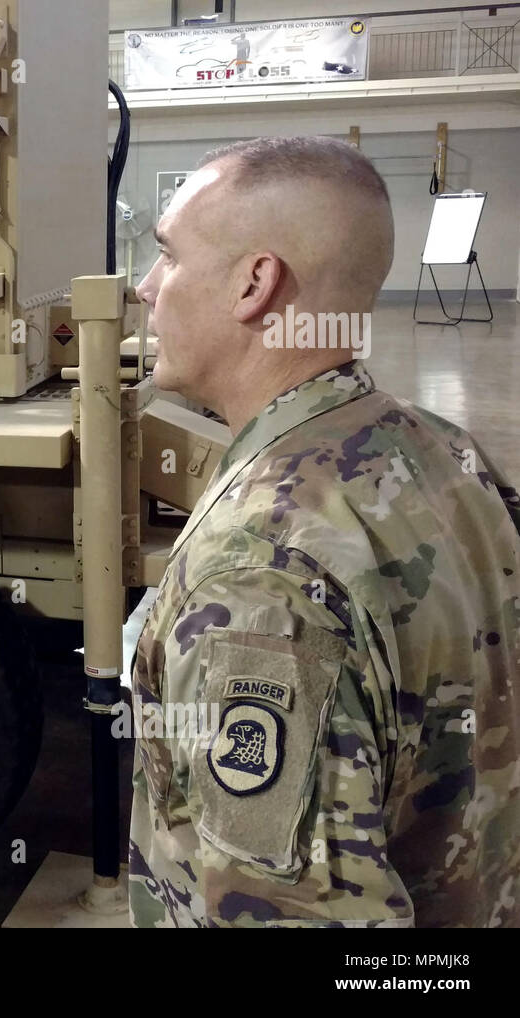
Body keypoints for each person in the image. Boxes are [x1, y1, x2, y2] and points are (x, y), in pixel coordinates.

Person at [128, 135, 520, 928]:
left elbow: (285, 912)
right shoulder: (448, 452)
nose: (146, 287)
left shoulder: (260, 570)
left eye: (167, 257)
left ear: (253, 284)